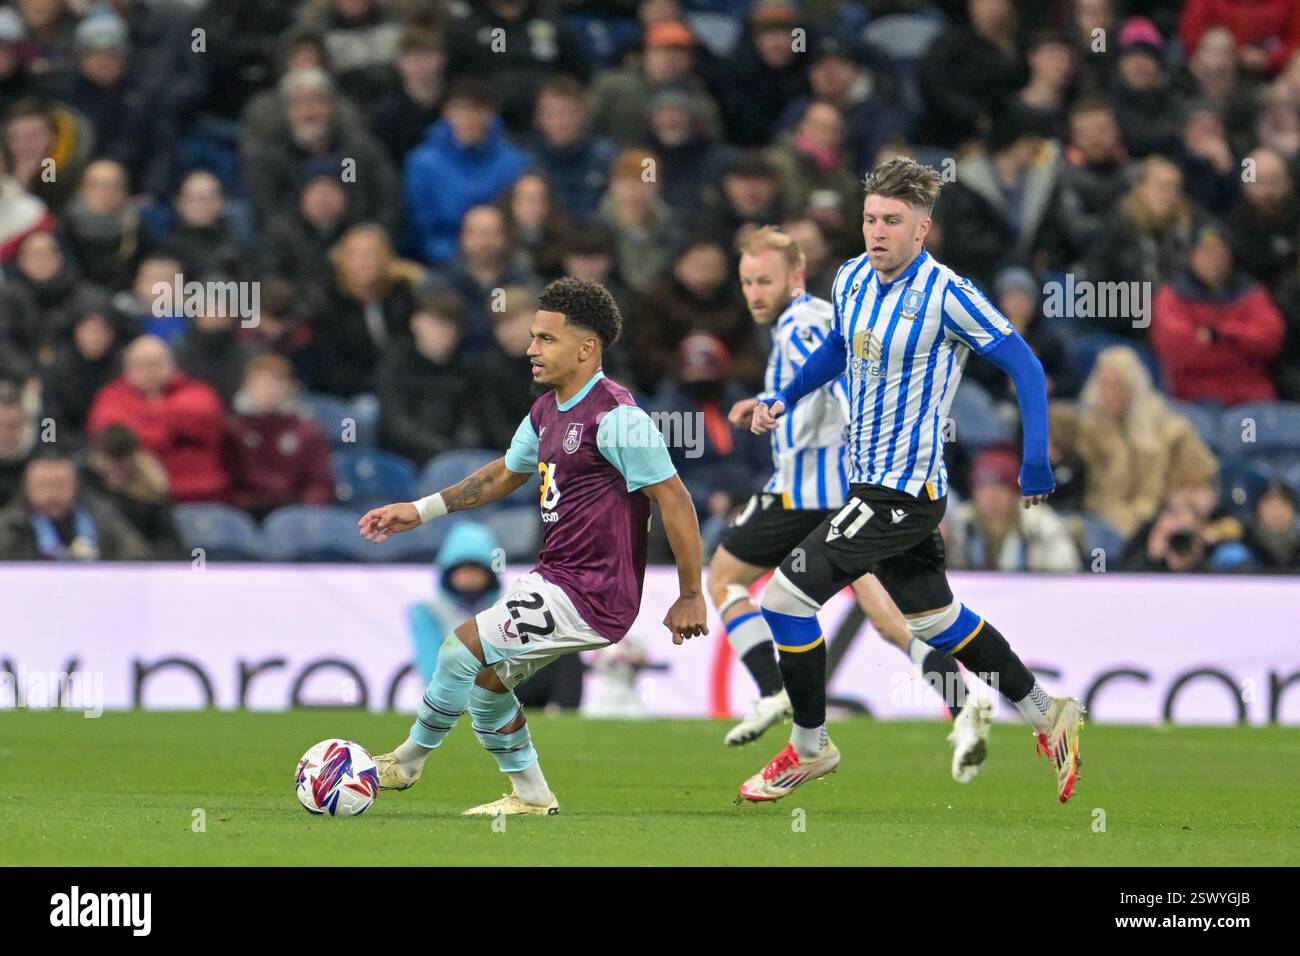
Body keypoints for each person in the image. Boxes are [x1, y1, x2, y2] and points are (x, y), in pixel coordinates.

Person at [747, 158, 1084, 805]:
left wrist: (1034, 459)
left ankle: (812, 748)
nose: (876, 231)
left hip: (902, 493)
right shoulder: (848, 277)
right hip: (868, 485)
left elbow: (1026, 365)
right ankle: (1048, 713)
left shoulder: (947, 295)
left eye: (892, 220)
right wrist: (786, 396)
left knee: (784, 599)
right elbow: (840, 349)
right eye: (870, 217)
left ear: (921, 228)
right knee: (938, 620)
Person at [359, 277, 708, 816]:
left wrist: (691, 593)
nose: (530, 349)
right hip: (554, 578)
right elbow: (503, 476)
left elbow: (676, 501)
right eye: (532, 337)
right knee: (488, 685)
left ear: (586, 349)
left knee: (460, 650)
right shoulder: (547, 410)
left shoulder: (619, 418)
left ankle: (407, 761)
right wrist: (420, 511)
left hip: (594, 591)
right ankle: (532, 796)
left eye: (545, 338)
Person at [712, 227, 994, 782]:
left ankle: (776, 694)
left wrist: (854, 434)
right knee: (890, 620)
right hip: (824, 489)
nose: (754, 293)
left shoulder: (800, 325)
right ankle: (963, 703)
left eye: (765, 280)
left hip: (815, 494)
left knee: (725, 578)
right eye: (746, 282)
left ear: (795, 276)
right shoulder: (817, 315)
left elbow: (845, 386)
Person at [0, 452, 149, 561]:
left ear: (76, 485)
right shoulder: (8, 526)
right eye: (43, 486)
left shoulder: (103, 517)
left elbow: (138, 557)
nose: (51, 495)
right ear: (27, 488)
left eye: (60, 485)